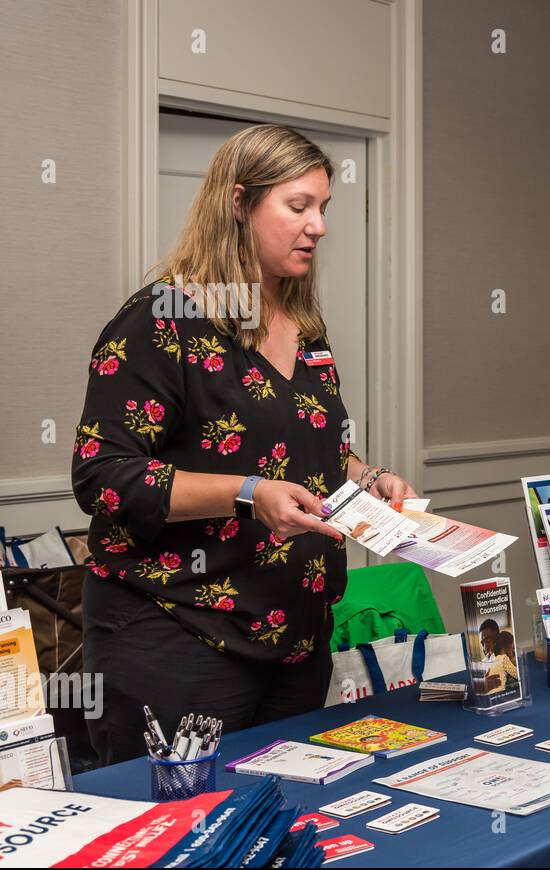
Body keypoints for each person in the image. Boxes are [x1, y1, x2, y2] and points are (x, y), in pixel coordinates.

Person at [73, 124, 418, 766]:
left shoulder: (305, 325)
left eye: (324, 208)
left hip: (295, 641)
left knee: (284, 829)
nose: (317, 225)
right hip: (177, 635)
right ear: (238, 204)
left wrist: (369, 479)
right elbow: (104, 476)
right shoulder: (162, 320)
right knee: (185, 840)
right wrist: (247, 494)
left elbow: (313, 444)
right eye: (298, 206)